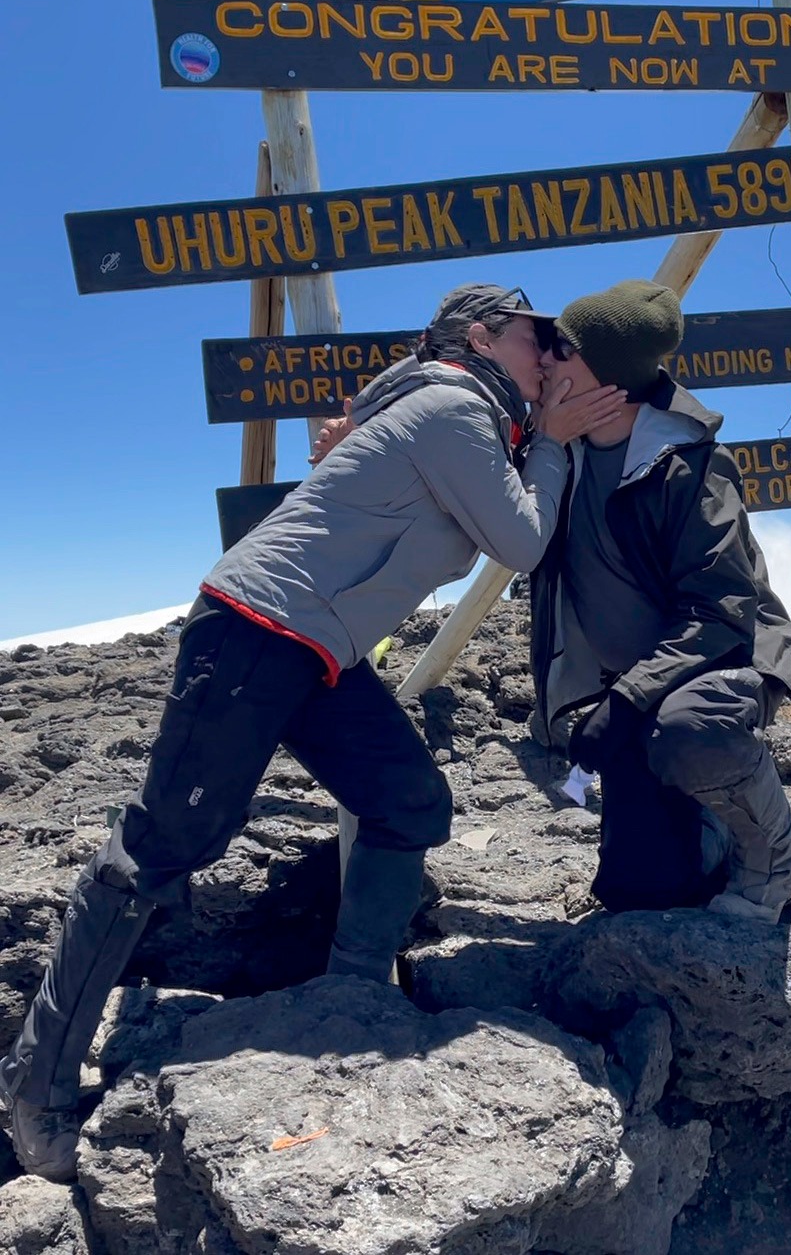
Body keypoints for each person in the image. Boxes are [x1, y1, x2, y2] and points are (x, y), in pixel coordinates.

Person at [0, 282, 625, 1182]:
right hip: (259, 632)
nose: (554, 354)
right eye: (541, 337)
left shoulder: (455, 408)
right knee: (158, 851)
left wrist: (542, 435)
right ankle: (34, 1080)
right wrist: (558, 443)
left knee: (407, 799)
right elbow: (523, 543)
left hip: (312, 647)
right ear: (485, 337)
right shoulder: (453, 405)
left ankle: (353, 993)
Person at [529, 280, 791, 922]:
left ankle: (776, 854)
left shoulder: (691, 470)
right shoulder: (557, 453)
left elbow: (720, 611)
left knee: (690, 732)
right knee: (643, 890)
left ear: (609, 383)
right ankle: (707, 820)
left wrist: (625, 703)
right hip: (638, 681)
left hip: (720, 661)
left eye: (562, 351)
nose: (544, 359)